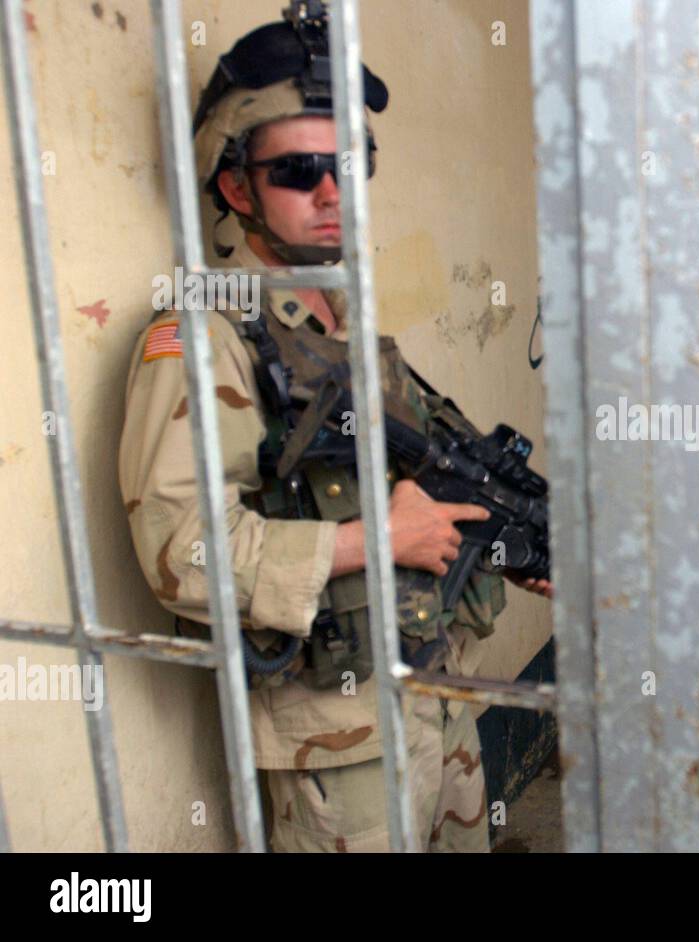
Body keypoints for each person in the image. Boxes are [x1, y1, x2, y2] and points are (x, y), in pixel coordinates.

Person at [118, 6, 549, 852]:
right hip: (338, 742)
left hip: (438, 689)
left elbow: (414, 486)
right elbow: (179, 553)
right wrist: (373, 541)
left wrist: (507, 542)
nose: (331, 192)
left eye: (349, 164)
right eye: (300, 169)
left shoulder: (343, 318)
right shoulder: (204, 337)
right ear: (237, 187)